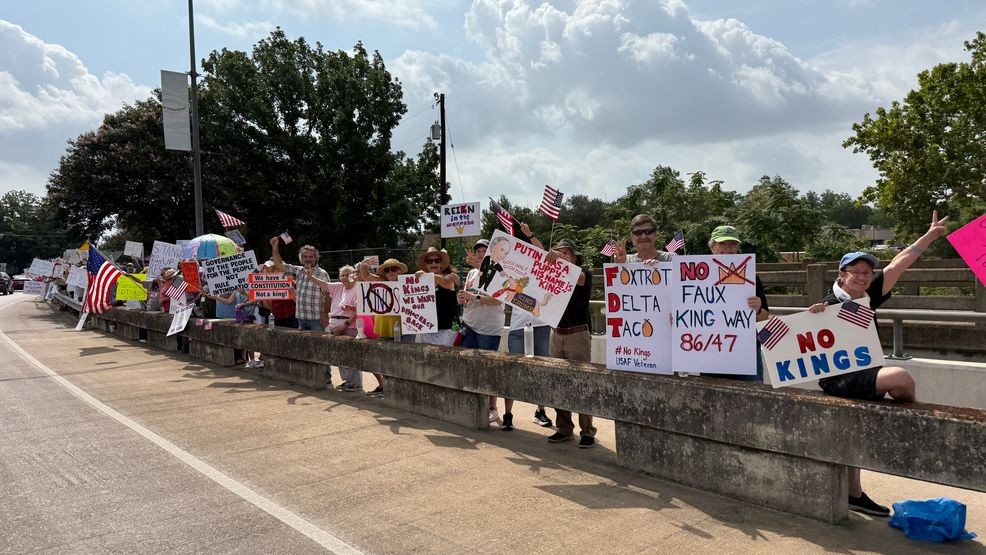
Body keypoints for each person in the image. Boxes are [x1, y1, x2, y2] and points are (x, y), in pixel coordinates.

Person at [807, 210, 949, 517]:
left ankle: (853, 494)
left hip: (866, 372)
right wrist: (813, 318)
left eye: (867, 272)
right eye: (855, 271)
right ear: (841, 275)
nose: (862, 276)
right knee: (899, 376)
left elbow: (899, 263)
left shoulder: (869, 294)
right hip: (838, 379)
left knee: (854, 433)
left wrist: (930, 235)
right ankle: (912, 424)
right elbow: (792, 340)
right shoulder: (826, 307)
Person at [544, 239, 596, 448]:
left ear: (574, 257)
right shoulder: (552, 271)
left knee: (582, 382)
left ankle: (587, 430)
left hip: (577, 333)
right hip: (556, 332)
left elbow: (581, 279)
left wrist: (560, 262)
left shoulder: (584, 272)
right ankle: (564, 427)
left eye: (566, 253)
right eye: (558, 252)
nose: (562, 256)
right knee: (558, 382)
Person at [502, 223, 552, 430]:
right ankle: (507, 414)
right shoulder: (512, 272)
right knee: (513, 370)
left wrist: (530, 234)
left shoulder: (542, 268)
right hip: (517, 326)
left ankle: (540, 411)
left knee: (542, 369)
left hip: (540, 324)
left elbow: (544, 253)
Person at [707, 225, 770, 381]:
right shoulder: (698, 277)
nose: (728, 249)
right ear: (712, 246)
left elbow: (764, 318)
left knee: (752, 400)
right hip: (709, 352)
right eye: (723, 244)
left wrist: (756, 309)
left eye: (732, 244)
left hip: (745, 352)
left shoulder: (750, 276)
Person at [270, 236, 334, 381]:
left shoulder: (322, 273)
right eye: (305, 256)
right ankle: (310, 375)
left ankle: (326, 376)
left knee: (320, 348)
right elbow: (279, 265)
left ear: (316, 258)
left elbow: (329, 295)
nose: (308, 259)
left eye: (311, 256)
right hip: (301, 317)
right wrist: (275, 247)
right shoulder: (298, 271)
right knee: (305, 349)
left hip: (317, 318)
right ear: (301, 258)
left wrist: (325, 313)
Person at [459, 239, 506, 423]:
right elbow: (467, 294)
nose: (480, 252)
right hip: (469, 324)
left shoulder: (498, 272)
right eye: (478, 249)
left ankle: (492, 407)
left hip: (489, 328)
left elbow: (498, 300)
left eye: (484, 249)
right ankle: (474, 405)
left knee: (488, 369)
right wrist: (463, 298)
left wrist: (474, 297)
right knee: (469, 367)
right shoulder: (471, 273)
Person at [356, 257, 409, 397]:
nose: (391, 272)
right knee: (387, 359)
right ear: (384, 273)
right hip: (385, 325)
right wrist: (364, 265)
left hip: (404, 327)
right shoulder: (381, 282)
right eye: (388, 270)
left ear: (400, 271)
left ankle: (401, 391)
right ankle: (388, 388)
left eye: (394, 269)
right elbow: (366, 275)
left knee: (403, 359)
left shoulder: (408, 283)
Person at [307, 264, 364, 392]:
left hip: (348, 325)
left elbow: (359, 311)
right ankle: (348, 381)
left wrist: (346, 324)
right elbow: (324, 284)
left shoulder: (357, 289)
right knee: (340, 356)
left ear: (353, 276)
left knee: (350, 355)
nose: (344, 277)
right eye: (342, 275)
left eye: (347, 274)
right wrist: (311, 277)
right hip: (335, 324)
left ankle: (356, 383)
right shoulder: (338, 287)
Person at [414, 248, 461, 346]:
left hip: (448, 330)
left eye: (437, 260)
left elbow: (443, 281)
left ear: (441, 263)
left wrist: (425, 275)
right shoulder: (421, 282)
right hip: (427, 329)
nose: (433, 263)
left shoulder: (450, 277)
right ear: (426, 265)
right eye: (429, 261)